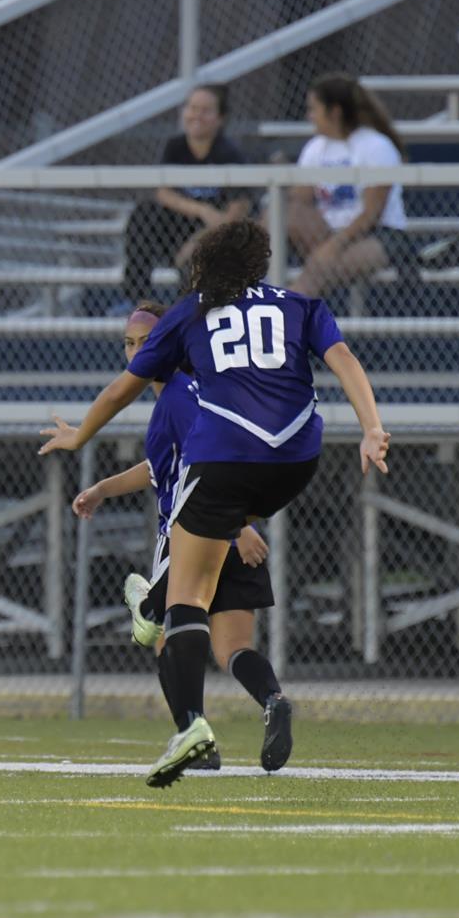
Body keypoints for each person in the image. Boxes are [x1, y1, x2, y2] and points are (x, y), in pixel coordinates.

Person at [40, 219, 389, 788]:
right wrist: (371, 428)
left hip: (226, 458)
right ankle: (166, 607)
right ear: (260, 263)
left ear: (205, 263)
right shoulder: (302, 305)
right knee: (210, 599)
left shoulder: (188, 312)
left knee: (186, 602)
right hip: (297, 461)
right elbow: (345, 361)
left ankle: (190, 723)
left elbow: (120, 390)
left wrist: (80, 435)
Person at [60, 301, 290, 775]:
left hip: (197, 536)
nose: (136, 352)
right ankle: (273, 701)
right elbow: (163, 468)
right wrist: (103, 488)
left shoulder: (179, 396)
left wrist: (238, 528)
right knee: (230, 650)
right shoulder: (194, 392)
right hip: (226, 532)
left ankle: (194, 732)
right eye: (129, 343)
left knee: (163, 635)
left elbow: (215, 465)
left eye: (147, 342)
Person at [288, 73, 416, 296]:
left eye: (314, 109)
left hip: (378, 235)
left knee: (319, 270)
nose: (310, 116)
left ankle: (278, 321)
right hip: (329, 232)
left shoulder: (375, 145)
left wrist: (332, 247)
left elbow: (372, 215)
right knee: (282, 214)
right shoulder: (315, 147)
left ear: (335, 112)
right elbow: (300, 202)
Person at [123, 84, 253, 304]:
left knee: (203, 257)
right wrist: (201, 209)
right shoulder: (175, 147)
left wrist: (197, 240)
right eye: (192, 108)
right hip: (179, 225)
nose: (197, 116)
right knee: (142, 215)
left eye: (205, 110)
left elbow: (238, 209)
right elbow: (163, 193)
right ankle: (138, 302)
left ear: (220, 118)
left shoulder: (229, 152)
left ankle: (188, 312)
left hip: (212, 232)